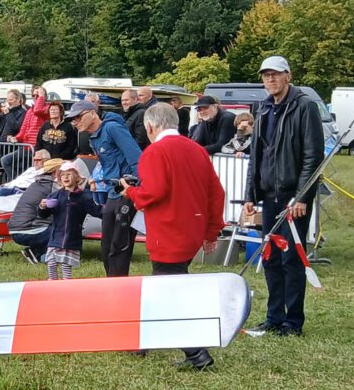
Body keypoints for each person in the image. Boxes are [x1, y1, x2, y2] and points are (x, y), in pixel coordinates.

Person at [120, 102, 226, 369]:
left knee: (167, 292)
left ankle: (196, 353)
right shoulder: (197, 149)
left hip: (167, 233)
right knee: (166, 287)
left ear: (150, 126)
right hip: (192, 231)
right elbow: (216, 193)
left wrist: (130, 192)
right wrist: (211, 230)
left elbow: (153, 192)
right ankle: (142, 340)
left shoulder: (155, 152)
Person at [248, 55, 324, 336]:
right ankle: (274, 317)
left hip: (294, 196)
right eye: (266, 75)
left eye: (276, 74)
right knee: (270, 257)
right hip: (269, 194)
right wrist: (250, 194)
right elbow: (256, 154)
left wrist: (302, 196)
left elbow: (313, 156)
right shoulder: (263, 108)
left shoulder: (305, 106)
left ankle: (293, 321)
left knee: (291, 257)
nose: (270, 79)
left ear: (288, 76)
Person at [68, 99, 142, 276]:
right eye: (73, 119)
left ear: (92, 113)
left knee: (120, 243)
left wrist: (138, 189)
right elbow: (106, 165)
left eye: (78, 117)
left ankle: (118, 282)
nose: (75, 122)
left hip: (127, 190)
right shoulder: (93, 137)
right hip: (112, 191)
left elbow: (136, 158)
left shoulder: (112, 128)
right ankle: (111, 280)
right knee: (107, 244)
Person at [35, 161, 98, 279]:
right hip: (55, 237)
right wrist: (42, 207)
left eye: (69, 174)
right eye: (63, 175)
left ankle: (66, 285)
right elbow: (43, 215)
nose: (65, 177)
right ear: (59, 179)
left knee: (66, 265)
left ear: (77, 177)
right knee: (51, 263)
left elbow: (96, 211)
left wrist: (111, 211)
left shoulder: (83, 197)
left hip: (72, 239)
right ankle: (52, 282)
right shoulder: (55, 196)